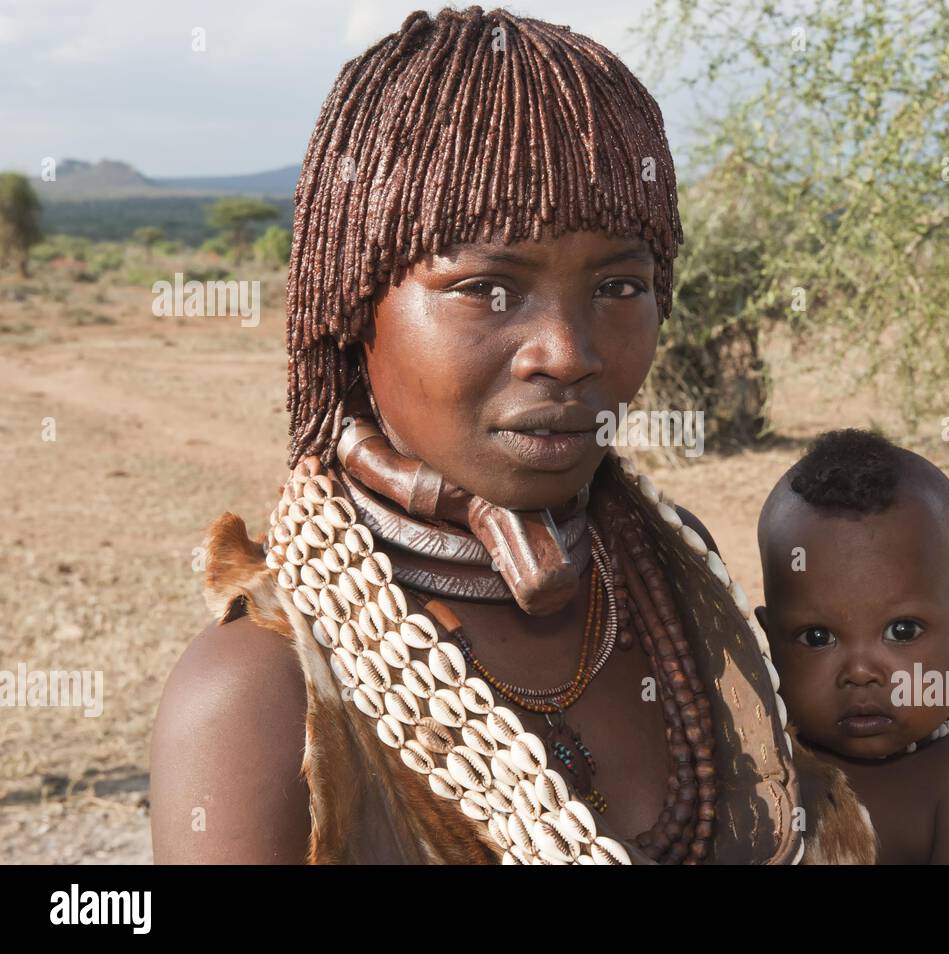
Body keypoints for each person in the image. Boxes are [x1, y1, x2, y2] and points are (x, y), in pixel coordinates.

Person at [150, 6, 874, 865]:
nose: (568, 355)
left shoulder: (680, 585)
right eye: (487, 286)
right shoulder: (260, 696)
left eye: (618, 286)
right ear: (350, 308)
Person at [756, 429, 949, 864]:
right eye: (817, 638)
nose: (861, 671)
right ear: (770, 645)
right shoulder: (758, 769)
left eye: (902, 631)